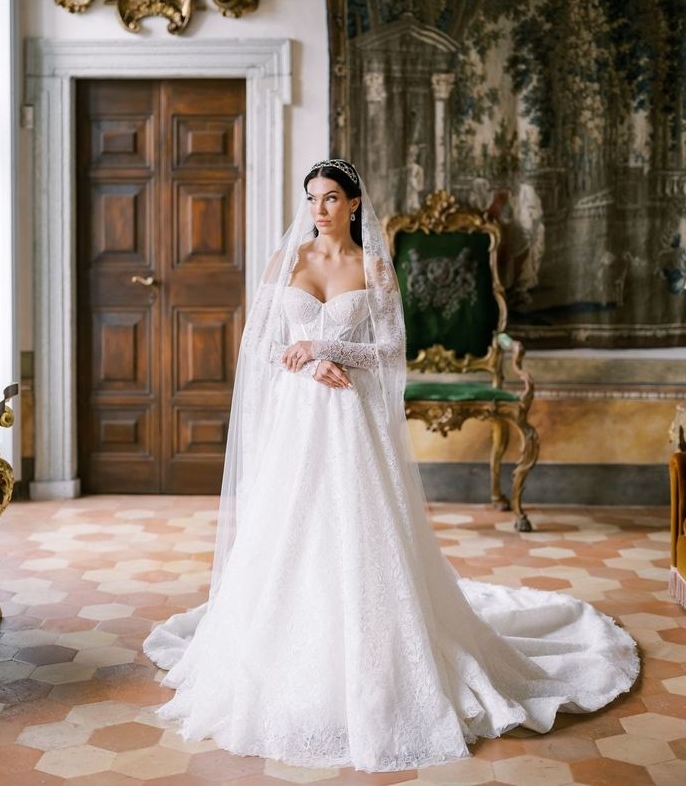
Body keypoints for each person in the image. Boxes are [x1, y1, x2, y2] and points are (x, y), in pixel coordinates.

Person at [143, 159, 639, 773]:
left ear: (354, 204)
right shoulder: (288, 262)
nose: (318, 209)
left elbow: (389, 351)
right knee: (291, 534)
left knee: (359, 537)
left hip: (349, 422)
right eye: (311, 198)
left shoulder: (373, 266)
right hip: (300, 421)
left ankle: (381, 661)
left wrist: (328, 349)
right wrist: (302, 359)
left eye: (330, 198)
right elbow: (259, 346)